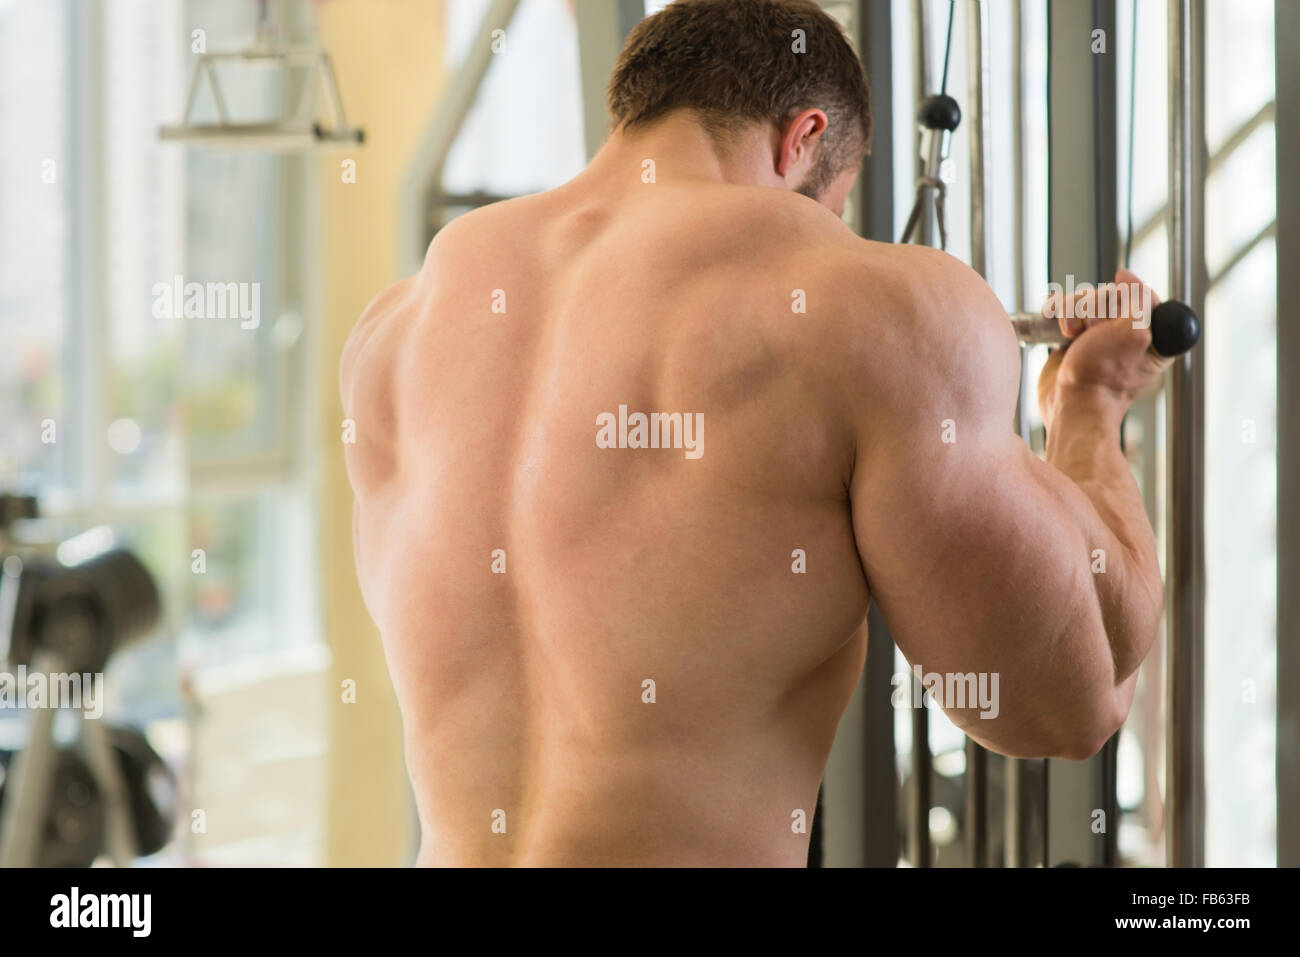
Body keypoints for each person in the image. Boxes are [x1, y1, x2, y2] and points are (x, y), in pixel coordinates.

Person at [339, 0, 1167, 866]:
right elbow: (1068, 700)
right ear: (802, 138)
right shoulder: (881, 308)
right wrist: (1091, 404)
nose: (829, 238)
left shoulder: (397, 330)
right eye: (832, 209)